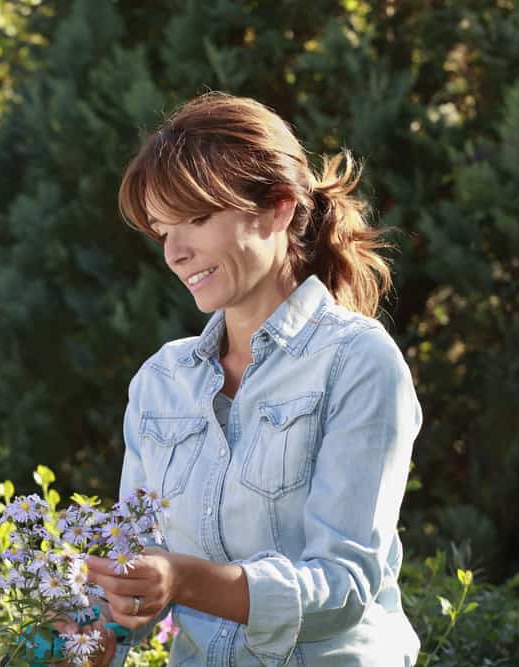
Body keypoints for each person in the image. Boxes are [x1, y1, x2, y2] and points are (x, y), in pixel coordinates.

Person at [83, 92, 423, 666]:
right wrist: (92, 635)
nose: (176, 252)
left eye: (196, 219)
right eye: (163, 231)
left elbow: (343, 585)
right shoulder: (160, 382)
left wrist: (185, 580)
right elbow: (137, 582)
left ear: (278, 208)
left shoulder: (358, 362)